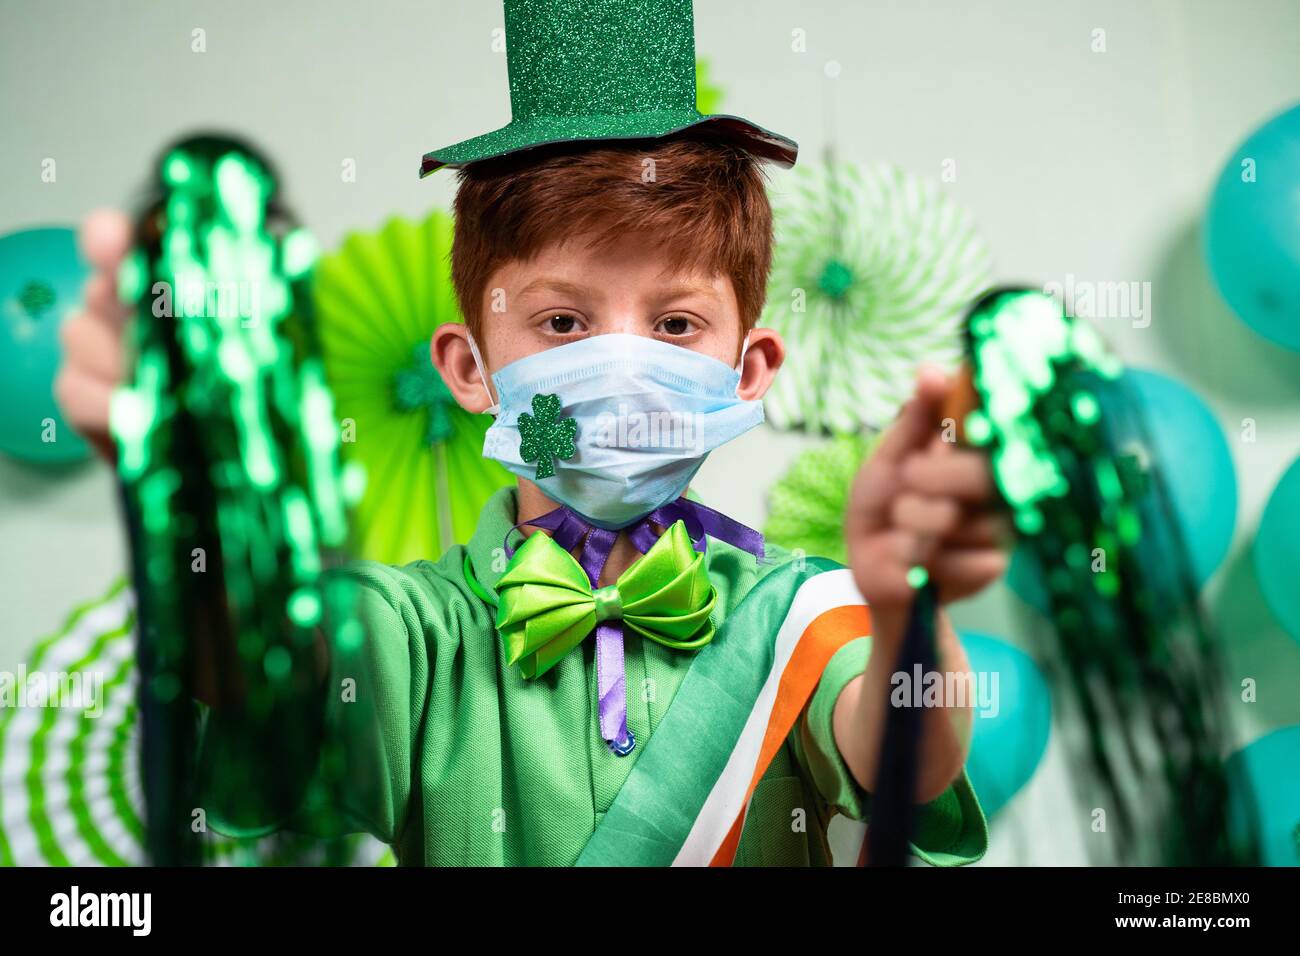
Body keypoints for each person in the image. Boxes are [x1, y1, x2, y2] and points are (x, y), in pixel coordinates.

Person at [55, 0, 1009, 866]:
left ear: (749, 368)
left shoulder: (804, 609)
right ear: (470, 368)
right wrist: (223, 499)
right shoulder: (407, 629)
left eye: (676, 324)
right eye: (562, 322)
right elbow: (274, 714)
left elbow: (909, 763)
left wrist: (907, 609)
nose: (624, 363)